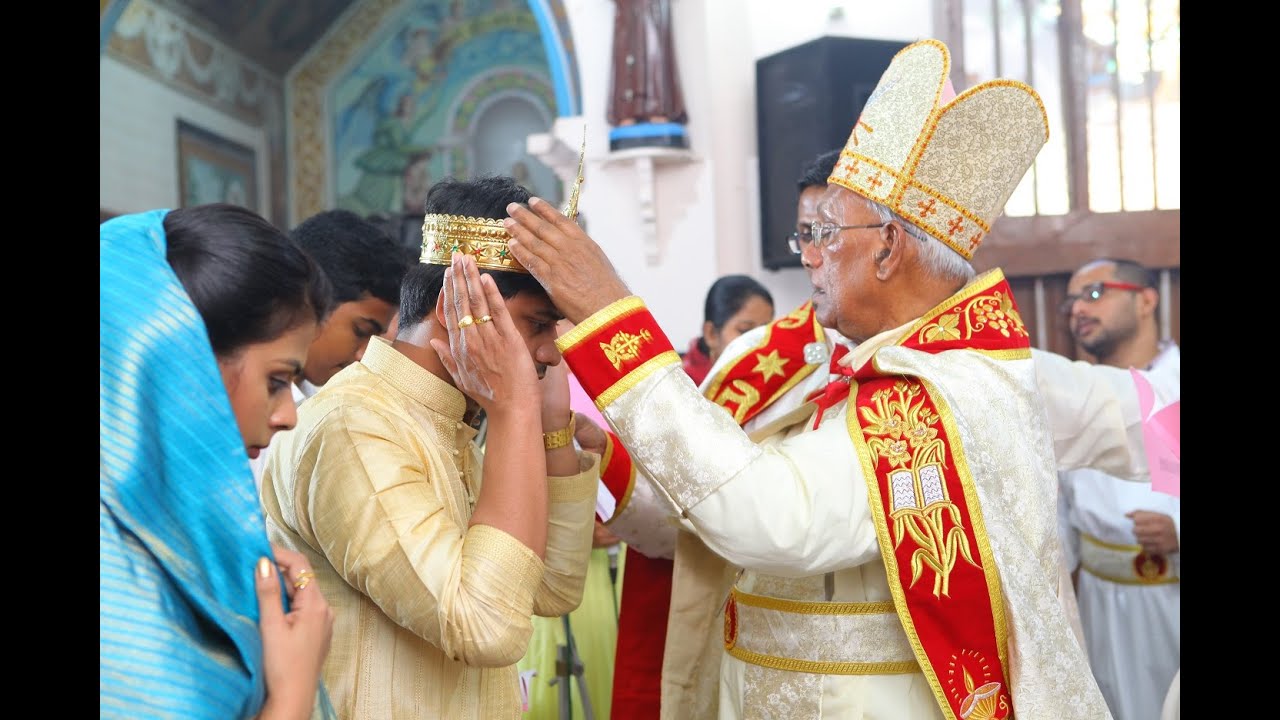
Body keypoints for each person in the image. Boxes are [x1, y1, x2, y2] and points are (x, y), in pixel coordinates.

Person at [501, 39, 1164, 718]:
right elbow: (693, 526)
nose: (810, 257)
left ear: (887, 246)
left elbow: (770, 520)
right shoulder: (779, 360)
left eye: (826, 233)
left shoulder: (947, 392)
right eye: (806, 235)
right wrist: (605, 458)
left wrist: (612, 317)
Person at [258, 177, 599, 719]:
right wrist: (514, 411)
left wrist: (550, 425)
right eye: (538, 324)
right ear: (457, 309)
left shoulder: (450, 418)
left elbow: (551, 589)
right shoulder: (356, 423)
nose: (552, 353)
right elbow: (486, 625)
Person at [101, 204, 336, 719]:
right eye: (276, 381)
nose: (288, 417)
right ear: (177, 368)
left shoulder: (188, 537)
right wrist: (294, 691)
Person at [1057, 258, 1180, 720]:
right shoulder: (1071, 394)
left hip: (1172, 601)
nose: (1077, 311)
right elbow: (1059, 511)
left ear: (1145, 300)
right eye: (1071, 301)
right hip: (1100, 608)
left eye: (1094, 294)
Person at [248, 209, 408, 489]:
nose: (362, 354)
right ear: (313, 299)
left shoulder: (328, 400)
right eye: (360, 332)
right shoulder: (241, 393)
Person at [680, 274, 775, 384]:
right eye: (745, 330)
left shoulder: (774, 372)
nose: (760, 342)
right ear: (711, 334)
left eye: (766, 330)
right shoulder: (682, 389)